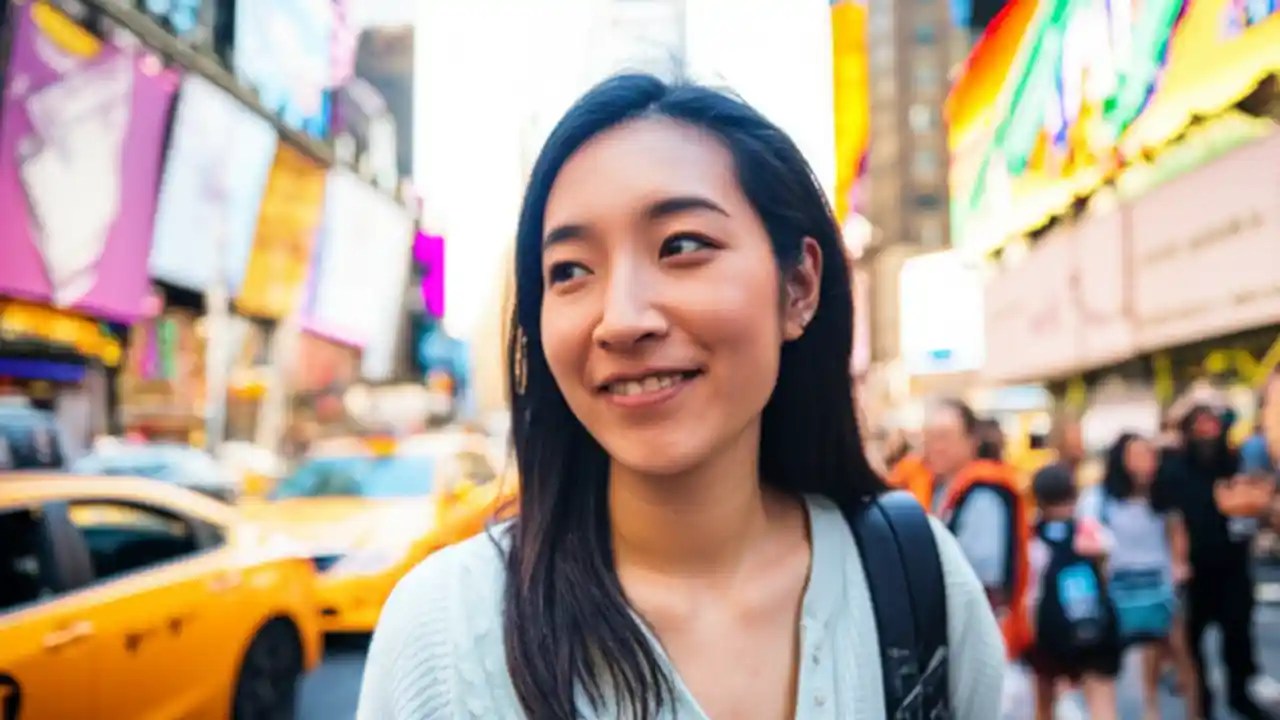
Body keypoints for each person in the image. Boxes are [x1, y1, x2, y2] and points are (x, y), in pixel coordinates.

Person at [357, 74, 1003, 720]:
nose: (622, 318)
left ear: (800, 285)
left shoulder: (917, 585)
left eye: (682, 246)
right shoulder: (442, 635)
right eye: (571, 270)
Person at [890, 399, 1033, 659]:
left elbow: (980, 576)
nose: (935, 447)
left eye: (944, 437)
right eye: (929, 438)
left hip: (976, 637)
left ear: (971, 440)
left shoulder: (981, 494)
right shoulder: (937, 488)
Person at [1165, 404, 1275, 720]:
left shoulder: (1235, 463)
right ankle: (1202, 704)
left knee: (1238, 638)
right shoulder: (1176, 469)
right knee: (1192, 644)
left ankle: (1240, 695)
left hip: (1233, 567)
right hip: (1194, 572)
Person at [1080, 433, 1197, 720]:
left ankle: (1181, 711)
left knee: (1177, 653)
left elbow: (1176, 531)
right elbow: (1089, 537)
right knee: (1106, 662)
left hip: (1160, 584)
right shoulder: (1099, 497)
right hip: (1118, 586)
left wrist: (1179, 566)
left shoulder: (1162, 494)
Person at [1024, 463, 1121, 720]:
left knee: (1045, 706)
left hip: (1050, 633)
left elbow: (1030, 593)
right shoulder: (1089, 532)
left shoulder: (1033, 538)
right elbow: (1108, 565)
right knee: (1102, 701)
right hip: (1094, 627)